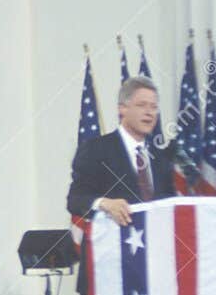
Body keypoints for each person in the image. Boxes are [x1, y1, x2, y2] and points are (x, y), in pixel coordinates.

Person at [65, 75, 176, 228]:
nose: (149, 112)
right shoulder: (96, 149)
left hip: (156, 244)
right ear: (122, 108)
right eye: (142, 105)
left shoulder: (161, 156)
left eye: (154, 107)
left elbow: (169, 202)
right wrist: (104, 203)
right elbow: (75, 199)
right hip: (114, 245)